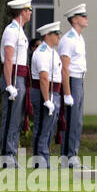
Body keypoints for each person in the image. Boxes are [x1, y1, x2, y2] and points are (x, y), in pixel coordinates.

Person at [1, 0, 33, 167]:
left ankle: (11, 154)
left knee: (17, 119)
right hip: (13, 77)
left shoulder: (20, 31)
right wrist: (9, 85)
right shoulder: (11, 30)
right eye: (29, 10)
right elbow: (8, 59)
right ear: (22, 12)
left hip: (20, 77)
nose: (31, 13)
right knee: (10, 119)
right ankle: (5, 156)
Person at [57, 3, 88, 167]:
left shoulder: (79, 38)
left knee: (77, 121)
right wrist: (67, 93)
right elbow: (65, 68)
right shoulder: (68, 40)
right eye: (83, 16)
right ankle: (69, 156)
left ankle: (71, 155)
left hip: (79, 80)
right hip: (72, 80)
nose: (86, 18)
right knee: (71, 120)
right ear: (75, 20)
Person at [29, 22, 62, 168]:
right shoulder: (42, 52)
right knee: (42, 127)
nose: (59, 37)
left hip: (53, 92)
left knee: (49, 128)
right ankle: (40, 160)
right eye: (56, 34)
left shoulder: (51, 51)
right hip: (45, 93)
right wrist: (47, 100)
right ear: (47, 35)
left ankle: (44, 158)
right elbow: (43, 77)